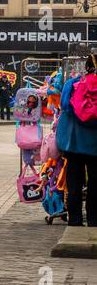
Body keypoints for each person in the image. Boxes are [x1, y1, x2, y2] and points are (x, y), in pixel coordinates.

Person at [55, 54, 97, 227]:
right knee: (95, 185)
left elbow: (64, 106)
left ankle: (74, 220)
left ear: (85, 67)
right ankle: (94, 220)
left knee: (74, 185)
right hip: (94, 145)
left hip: (73, 144)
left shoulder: (71, 84)